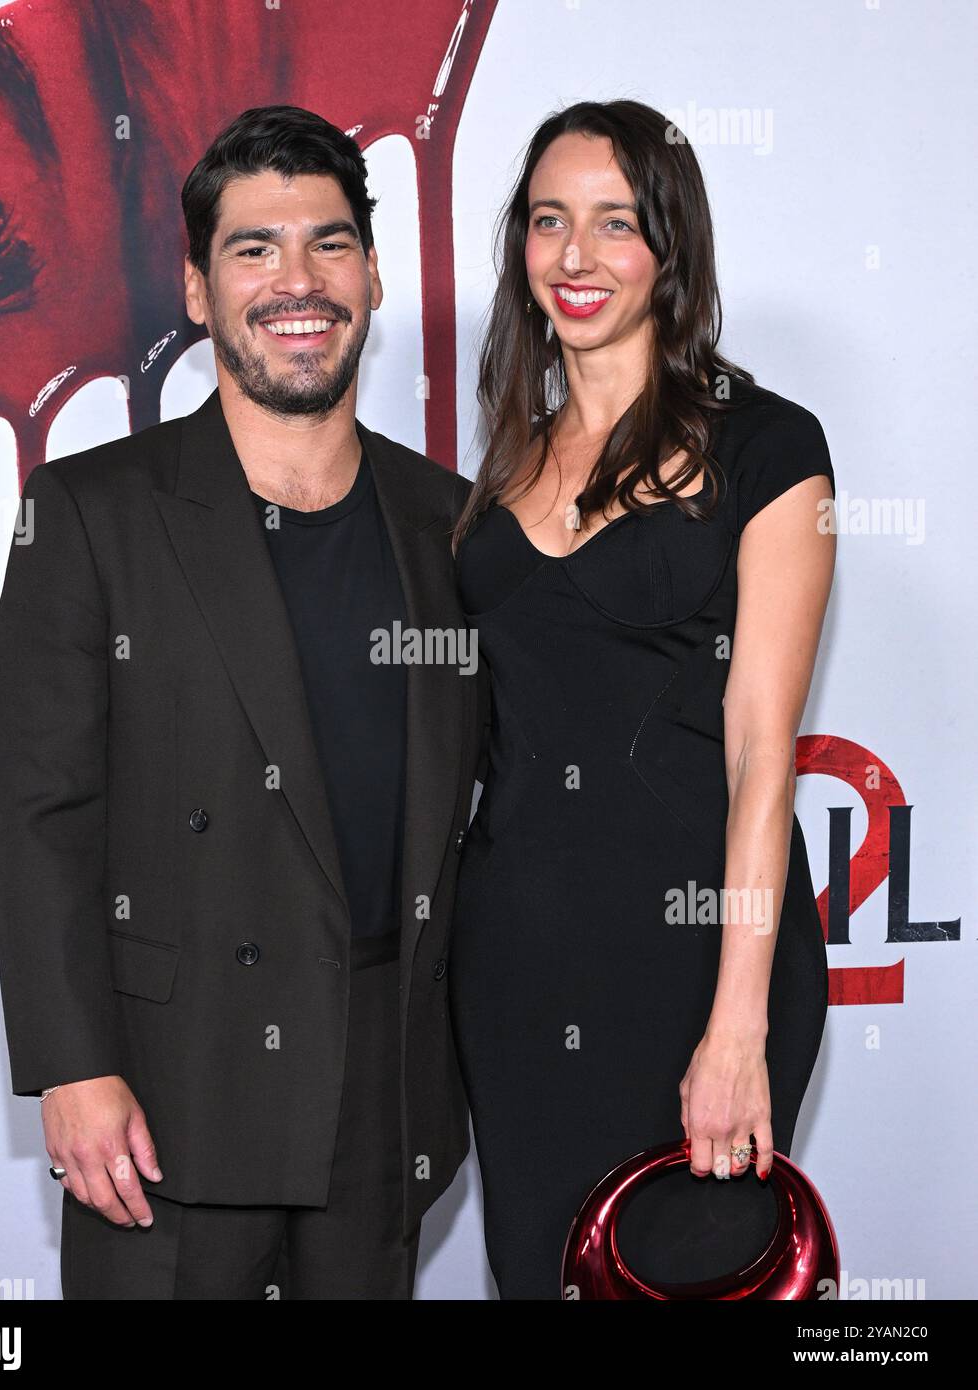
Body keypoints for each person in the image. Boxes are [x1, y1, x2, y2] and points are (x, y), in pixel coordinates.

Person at [0, 105, 487, 1300]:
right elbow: (42, 811)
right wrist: (73, 1068)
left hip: (383, 1090)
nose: (296, 282)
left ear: (370, 270)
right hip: (165, 1092)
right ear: (199, 292)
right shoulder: (91, 511)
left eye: (327, 243)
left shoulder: (453, 524)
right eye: (253, 248)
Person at [449, 99, 836, 1299]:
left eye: (616, 224)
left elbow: (761, 754)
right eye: (549, 221)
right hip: (515, 961)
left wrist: (735, 1027)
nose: (576, 256)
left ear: (670, 247)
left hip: (691, 961)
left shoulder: (770, 448)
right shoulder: (503, 462)